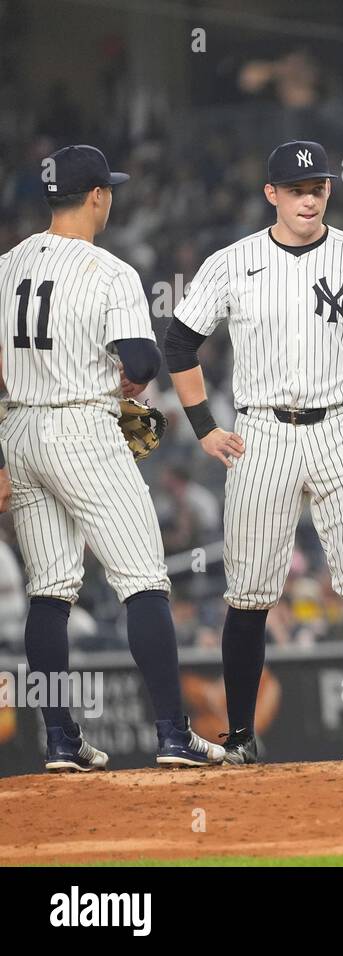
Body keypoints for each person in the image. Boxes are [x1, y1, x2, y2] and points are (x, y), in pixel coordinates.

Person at [166, 141, 343, 764]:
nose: (309, 197)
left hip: (341, 428)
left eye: (318, 186)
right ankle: (240, 735)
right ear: (271, 194)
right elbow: (179, 344)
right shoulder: (232, 262)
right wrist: (205, 428)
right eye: (296, 188)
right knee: (248, 594)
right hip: (261, 431)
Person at [0, 144, 224, 771]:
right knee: (145, 582)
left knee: (49, 591)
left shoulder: (6, 265)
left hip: (19, 430)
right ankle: (173, 735)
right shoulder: (110, 272)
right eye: (110, 190)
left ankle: (61, 740)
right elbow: (146, 361)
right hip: (81, 429)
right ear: (97, 195)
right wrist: (128, 382)